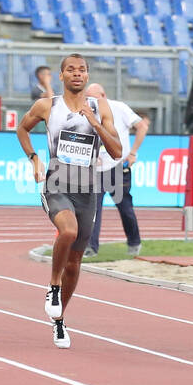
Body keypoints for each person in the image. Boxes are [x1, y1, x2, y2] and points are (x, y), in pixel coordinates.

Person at [16, 54, 122, 349]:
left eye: (82, 70)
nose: (77, 74)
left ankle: (60, 320)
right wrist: (34, 157)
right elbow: (22, 128)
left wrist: (96, 124)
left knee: (75, 262)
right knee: (68, 231)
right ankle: (52, 285)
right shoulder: (47, 106)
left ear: (87, 76)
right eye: (71, 70)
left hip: (88, 189)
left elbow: (116, 151)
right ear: (61, 76)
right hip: (56, 182)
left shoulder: (100, 108)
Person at [84, 83, 148, 258]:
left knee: (125, 207)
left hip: (118, 167)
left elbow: (142, 126)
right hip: (96, 169)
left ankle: (134, 243)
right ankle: (91, 247)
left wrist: (133, 152)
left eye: (93, 98)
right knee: (92, 209)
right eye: (87, 98)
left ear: (103, 95)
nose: (90, 102)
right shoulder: (87, 111)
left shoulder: (119, 108)